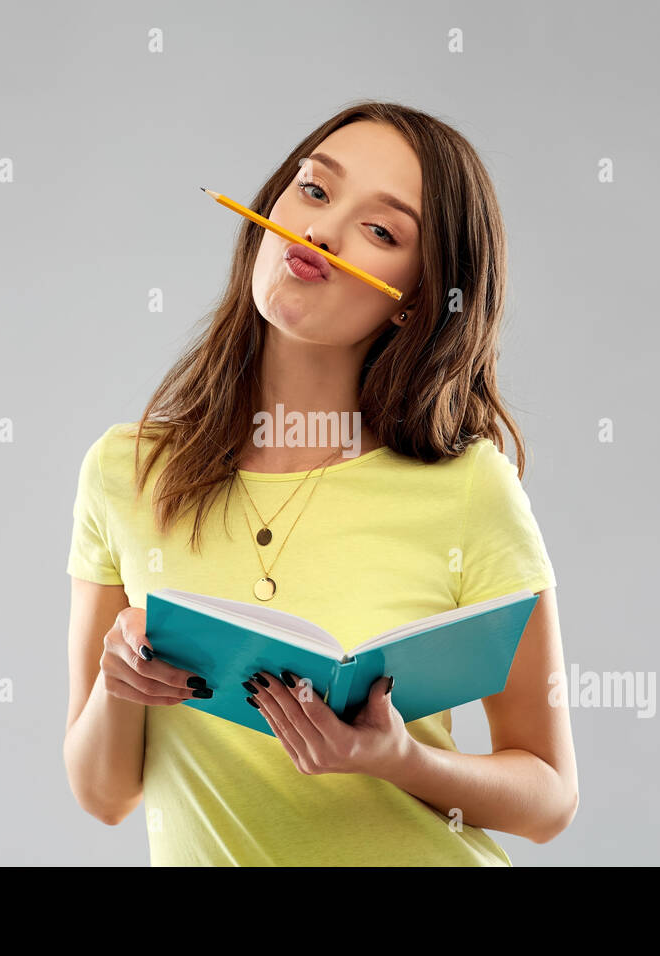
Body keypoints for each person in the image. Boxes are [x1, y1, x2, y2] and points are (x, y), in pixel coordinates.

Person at [63, 101, 579, 866]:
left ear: (416, 301)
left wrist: (399, 760)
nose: (323, 231)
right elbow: (105, 797)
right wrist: (117, 685)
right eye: (314, 190)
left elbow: (548, 799)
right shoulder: (125, 472)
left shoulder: (471, 490)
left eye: (381, 231)